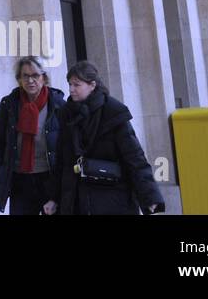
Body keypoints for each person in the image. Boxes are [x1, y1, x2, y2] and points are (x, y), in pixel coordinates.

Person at [44, 60, 164, 215]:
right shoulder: (67, 114)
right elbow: (61, 161)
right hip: (76, 199)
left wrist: (150, 197)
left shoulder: (113, 113)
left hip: (111, 197)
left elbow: (135, 158)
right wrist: (53, 198)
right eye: (70, 84)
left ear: (92, 85)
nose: (71, 90)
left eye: (77, 85)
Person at [0, 56, 65, 214]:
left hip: (49, 178)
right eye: (25, 76)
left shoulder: (57, 105)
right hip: (20, 179)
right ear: (19, 79)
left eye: (35, 75)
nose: (30, 80)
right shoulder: (9, 105)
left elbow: (66, 145)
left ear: (43, 77)